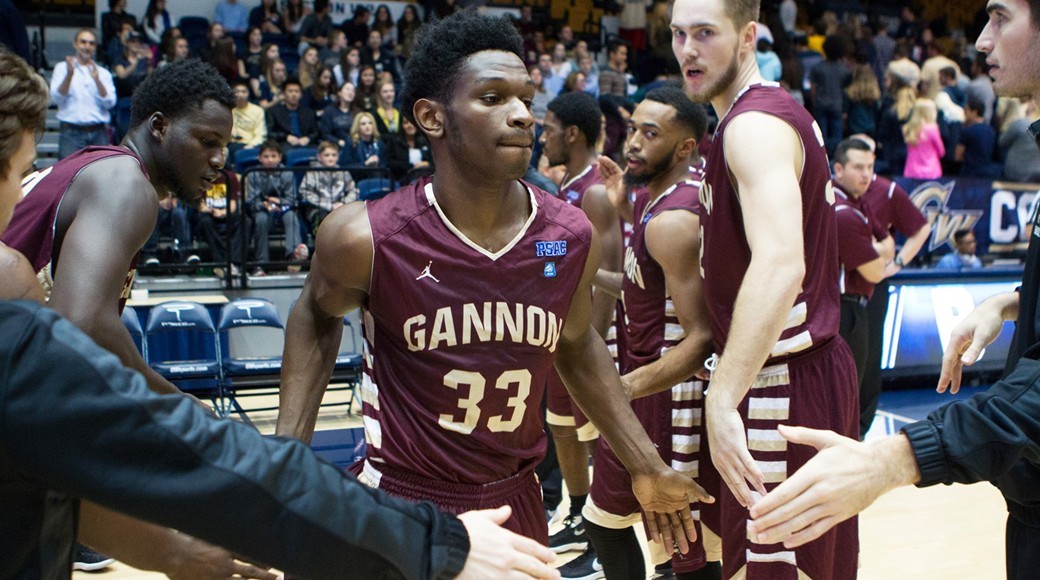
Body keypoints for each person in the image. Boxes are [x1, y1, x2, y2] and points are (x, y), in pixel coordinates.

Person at [0, 45, 560, 580]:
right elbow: (82, 322)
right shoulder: (125, 181)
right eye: (206, 141)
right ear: (159, 127)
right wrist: (168, 399)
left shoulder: (83, 170)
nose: (220, 161)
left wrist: (164, 547)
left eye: (226, 143)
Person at [276, 9, 710, 552]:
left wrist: (644, 464)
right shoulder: (363, 236)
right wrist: (284, 461)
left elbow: (576, 345)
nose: (523, 116)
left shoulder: (569, 232)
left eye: (527, 100)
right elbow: (315, 317)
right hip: (405, 501)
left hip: (517, 499)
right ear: (433, 118)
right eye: (492, 98)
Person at [746, 4, 1040, 579]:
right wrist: (1006, 301)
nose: (981, 41)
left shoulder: (864, 209)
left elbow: (888, 262)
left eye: (1001, 18)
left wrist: (891, 461)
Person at [671, 0, 859, 577]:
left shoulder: (752, 126)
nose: (687, 50)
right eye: (678, 34)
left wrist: (721, 397)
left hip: (781, 378)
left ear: (749, 36)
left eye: (706, 33)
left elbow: (781, 264)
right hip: (791, 370)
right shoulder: (756, 117)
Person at [584, 88, 720, 580]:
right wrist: (591, 271)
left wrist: (626, 389)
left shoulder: (673, 219)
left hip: (668, 391)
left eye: (650, 133)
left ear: (685, 148)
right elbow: (646, 286)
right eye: (633, 128)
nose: (632, 143)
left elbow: (701, 337)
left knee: (681, 542)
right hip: (644, 387)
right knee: (609, 521)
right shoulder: (651, 202)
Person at [537, 90, 622, 576]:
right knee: (562, 428)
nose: (541, 137)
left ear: (571, 133)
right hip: (559, 331)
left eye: (547, 128)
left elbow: (611, 275)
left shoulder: (592, 191)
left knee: (595, 440)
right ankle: (575, 511)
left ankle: (601, 541)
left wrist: (595, 346)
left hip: (584, 336)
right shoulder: (563, 185)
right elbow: (559, 262)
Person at [831, 138, 892, 437]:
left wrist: (877, 248)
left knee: (853, 394)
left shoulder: (859, 203)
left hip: (849, 307)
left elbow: (890, 245)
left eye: (870, 167)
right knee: (845, 398)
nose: (866, 174)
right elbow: (877, 270)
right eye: (858, 167)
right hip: (844, 309)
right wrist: (878, 249)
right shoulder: (844, 212)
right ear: (838, 169)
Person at [51, 29, 117, 160]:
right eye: (83, 42)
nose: (87, 46)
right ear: (75, 44)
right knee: (67, 175)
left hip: (98, 132)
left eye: (91, 43)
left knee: (100, 174)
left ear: (95, 47)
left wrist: (97, 80)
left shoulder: (103, 73)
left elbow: (110, 102)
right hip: (71, 132)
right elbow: (56, 98)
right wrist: (69, 75)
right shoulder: (62, 68)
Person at [244, 141, 306, 274]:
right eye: (266, 156)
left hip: (283, 209)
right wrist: (265, 205)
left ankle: (293, 257)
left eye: (273, 156)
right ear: (260, 158)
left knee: (291, 216)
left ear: (280, 157)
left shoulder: (287, 173)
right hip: (262, 210)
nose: (270, 160)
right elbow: (252, 201)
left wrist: (278, 202)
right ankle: (261, 263)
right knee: (260, 220)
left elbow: (292, 200)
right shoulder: (252, 174)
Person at [195, 165, 245, 276]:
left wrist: (222, 213)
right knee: (205, 222)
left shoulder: (230, 177)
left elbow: (233, 205)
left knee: (244, 220)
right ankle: (221, 262)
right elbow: (199, 205)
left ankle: (235, 262)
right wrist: (212, 211)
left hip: (226, 212)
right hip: (208, 213)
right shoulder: (199, 177)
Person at [299, 140, 358, 232]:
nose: (330, 158)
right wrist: (328, 206)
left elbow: (353, 191)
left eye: (334, 155)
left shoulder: (343, 172)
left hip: (340, 208)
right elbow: (304, 192)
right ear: (319, 157)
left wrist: (343, 203)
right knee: (324, 219)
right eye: (327, 155)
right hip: (319, 209)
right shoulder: (312, 173)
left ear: (338, 157)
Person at [266, 77, 319, 152]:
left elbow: (316, 132)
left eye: (297, 91)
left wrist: (308, 138)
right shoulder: (274, 111)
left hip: (305, 143)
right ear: (284, 94)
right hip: (284, 144)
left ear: (301, 95)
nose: (294, 94)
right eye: (290, 91)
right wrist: (286, 137)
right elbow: (270, 133)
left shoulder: (309, 112)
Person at [902, 97, 945, 179]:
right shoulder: (932, 129)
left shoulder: (907, 128)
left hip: (911, 171)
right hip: (931, 172)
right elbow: (941, 152)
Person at [230, 79, 268, 159]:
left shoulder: (258, 110)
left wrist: (250, 145)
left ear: (248, 94)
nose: (240, 94)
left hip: (251, 144)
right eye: (237, 91)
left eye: (243, 92)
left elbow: (260, 134)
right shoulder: (228, 109)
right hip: (232, 143)